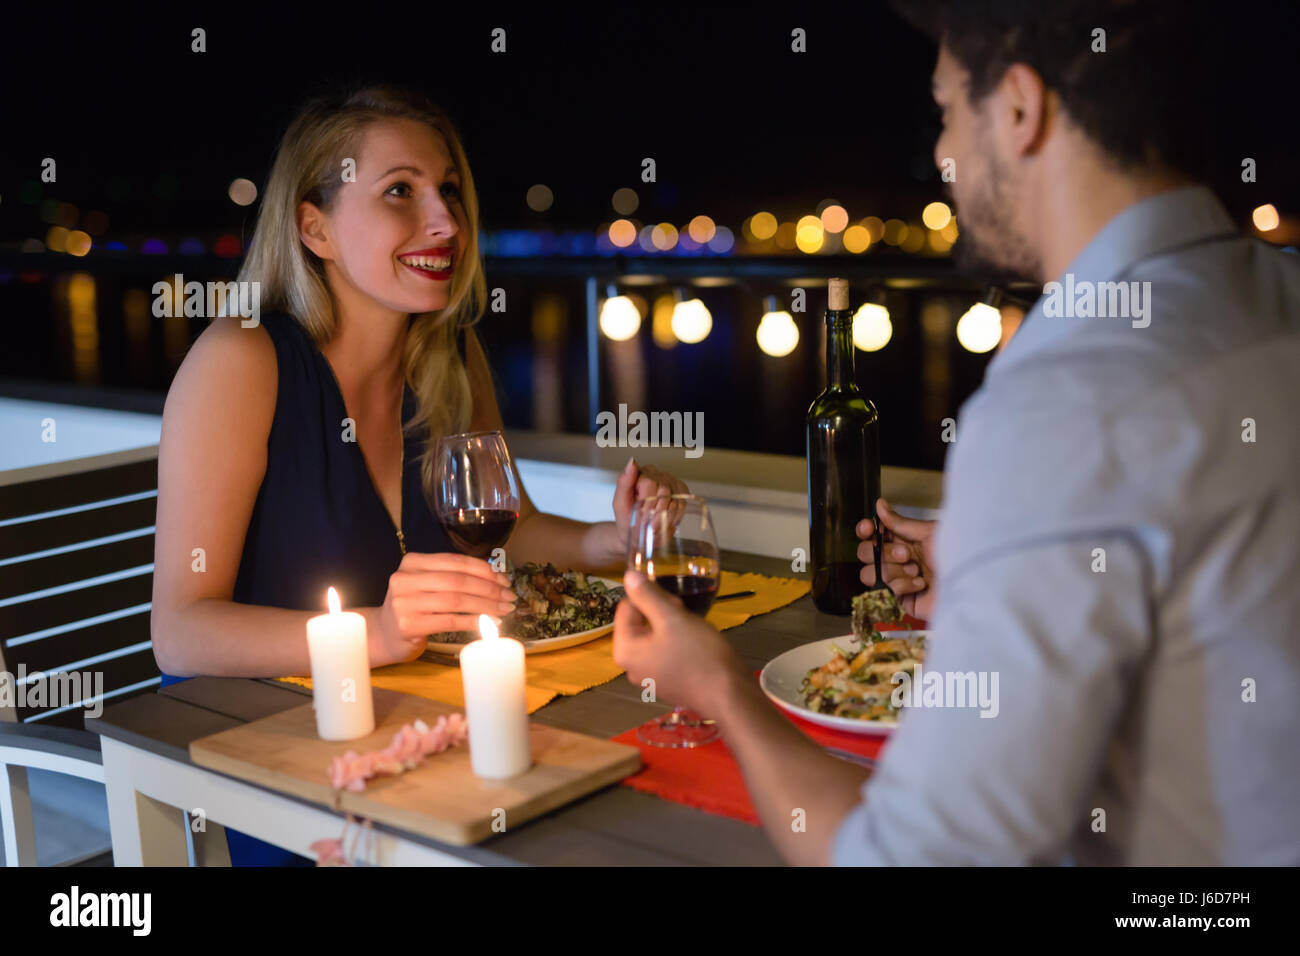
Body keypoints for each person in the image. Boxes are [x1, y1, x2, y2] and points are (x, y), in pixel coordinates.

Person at [613, 0, 1300, 865]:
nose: (943, 153)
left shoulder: (1063, 402)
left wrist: (718, 685)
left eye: (946, 112)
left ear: (1018, 109)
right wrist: (995, 559)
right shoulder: (1278, 295)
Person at [150, 86, 687, 864]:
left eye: (449, 191)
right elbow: (179, 632)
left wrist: (618, 538)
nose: (445, 222)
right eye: (400, 191)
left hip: (413, 738)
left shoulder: (449, 358)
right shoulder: (241, 362)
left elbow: (510, 526)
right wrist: (381, 632)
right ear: (315, 226)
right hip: (267, 769)